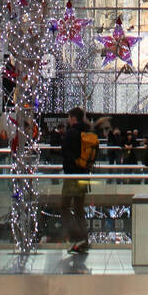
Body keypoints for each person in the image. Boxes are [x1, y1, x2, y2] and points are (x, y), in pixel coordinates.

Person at [61, 107, 94, 254]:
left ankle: (78, 237)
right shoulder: (88, 132)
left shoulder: (71, 133)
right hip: (84, 175)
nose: (68, 120)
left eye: (69, 117)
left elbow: (65, 152)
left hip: (72, 176)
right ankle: (84, 241)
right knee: (79, 209)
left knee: (64, 206)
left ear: (73, 118)